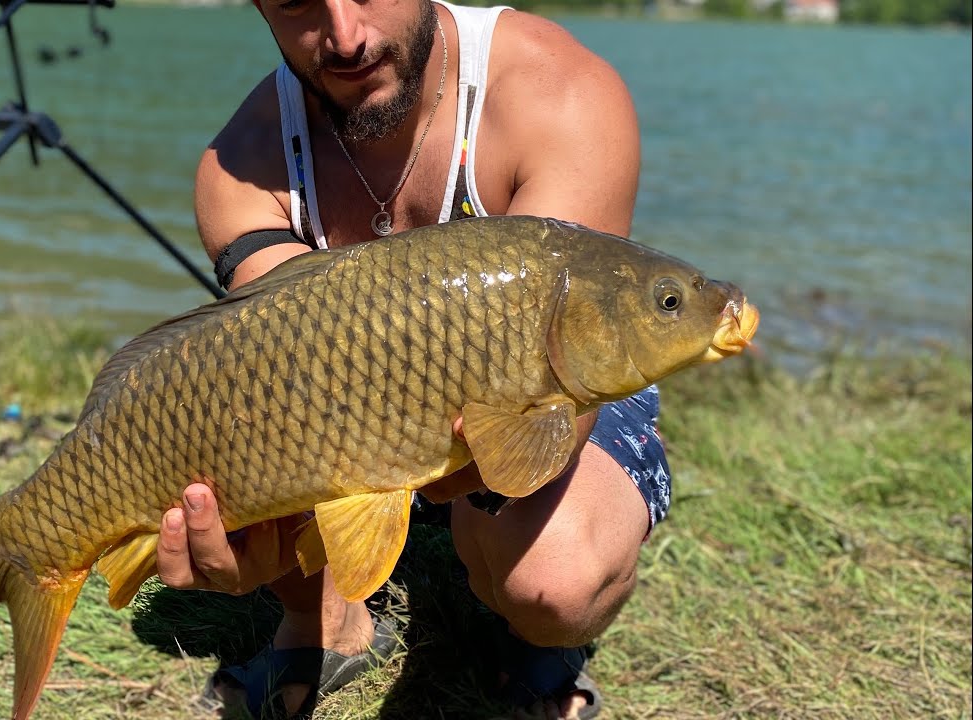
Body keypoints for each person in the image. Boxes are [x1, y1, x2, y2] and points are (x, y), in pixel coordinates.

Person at [157, 1, 666, 718]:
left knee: (555, 578)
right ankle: (324, 618)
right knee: (241, 438)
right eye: (299, 2)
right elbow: (283, 372)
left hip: (552, 388)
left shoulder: (561, 94)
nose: (345, 35)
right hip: (353, 404)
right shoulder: (240, 168)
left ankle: (535, 636)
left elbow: (565, 389)